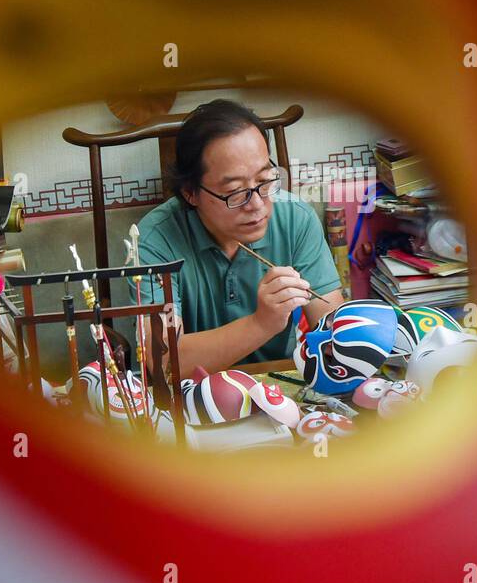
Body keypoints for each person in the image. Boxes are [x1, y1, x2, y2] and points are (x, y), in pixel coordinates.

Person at [136, 100, 343, 378]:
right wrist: (262, 324)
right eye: (235, 192)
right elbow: (163, 362)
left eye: (265, 179)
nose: (257, 204)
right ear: (190, 193)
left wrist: (353, 332)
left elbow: (333, 326)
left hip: (278, 383)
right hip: (192, 394)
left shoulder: (296, 219)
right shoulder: (155, 239)